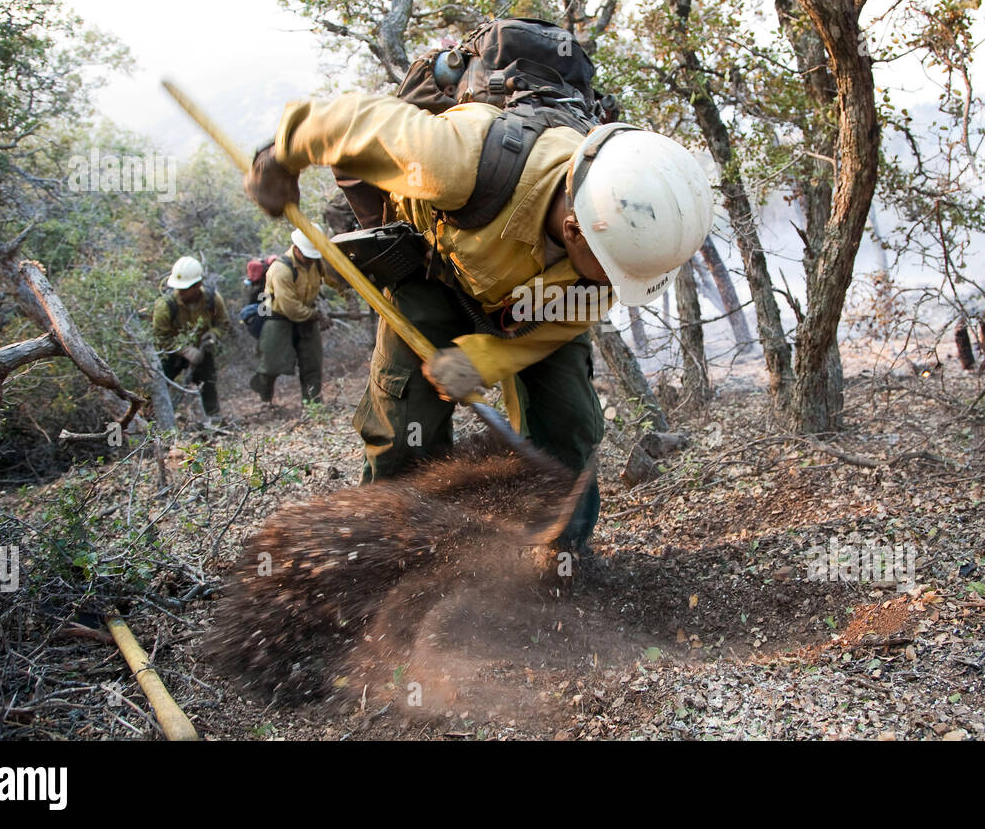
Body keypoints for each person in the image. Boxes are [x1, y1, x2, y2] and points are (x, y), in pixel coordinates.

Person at [244, 93, 712, 555]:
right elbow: (351, 119)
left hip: (533, 303)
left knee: (568, 419)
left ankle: (560, 558)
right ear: (573, 230)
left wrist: (484, 359)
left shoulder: (617, 249)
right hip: (435, 273)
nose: (615, 287)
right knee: (406, 426)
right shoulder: (457, 160)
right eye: (614, 275)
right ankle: (390, 560)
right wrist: (282, 153)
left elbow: (566, 319)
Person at [249, 228, 330, 406]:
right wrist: (316, 315)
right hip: (279, 317)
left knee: (312, 363)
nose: (310, 260)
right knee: (271, 365)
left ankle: (313, 404)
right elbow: (290, 307)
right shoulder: (281, 269)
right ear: (297, 249)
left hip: (307, 316)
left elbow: (334, 278)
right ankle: (265, 398)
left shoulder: (316, 263)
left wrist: (348, 297)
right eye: (307, 255)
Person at [152, 256, 229, 419]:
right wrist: (184, 350)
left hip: (202, 349)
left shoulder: (212, 299)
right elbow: (159, 338)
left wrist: (213, 334)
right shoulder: (165, 306)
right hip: (171, 354)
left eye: (185, 288)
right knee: (159, 386)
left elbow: (223, 322)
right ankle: (151, 420)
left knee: (208, 385)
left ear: (197, 285)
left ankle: (214, 421)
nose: (180, 291)